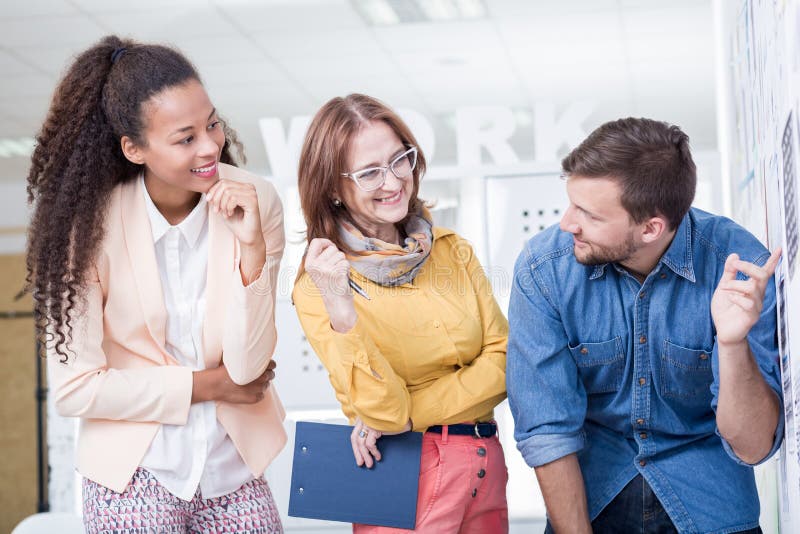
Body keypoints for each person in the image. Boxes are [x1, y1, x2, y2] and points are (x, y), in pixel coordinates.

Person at [26, 35, 286, 533]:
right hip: (133, 473)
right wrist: (209, 385)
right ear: (134, 148)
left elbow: (250, 369)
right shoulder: (86, 228)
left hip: (231, 467)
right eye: (185, 138)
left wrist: (252, 252)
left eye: (212, 124)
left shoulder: (255, 199)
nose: (210, 145)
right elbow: (75, 390)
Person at [507, 117, 782, 534]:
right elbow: (548, 429)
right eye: (571, 203)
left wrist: (732, 343)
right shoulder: (545, 268)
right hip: (591, 501)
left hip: (710, 507)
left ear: (651, 228)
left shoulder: (742, 270)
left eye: (588, 214)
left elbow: (755, 445)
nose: (567, 223)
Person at [292, 93, 509, 533]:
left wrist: (414, 415)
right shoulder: (320, 283)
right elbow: (383, 413)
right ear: (333, 188)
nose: (392, 182)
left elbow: (506, 364)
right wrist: (341, 308)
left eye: (400, 161)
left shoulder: (451, 250)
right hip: (403, 473)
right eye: (369, 172)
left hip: (485, 462)